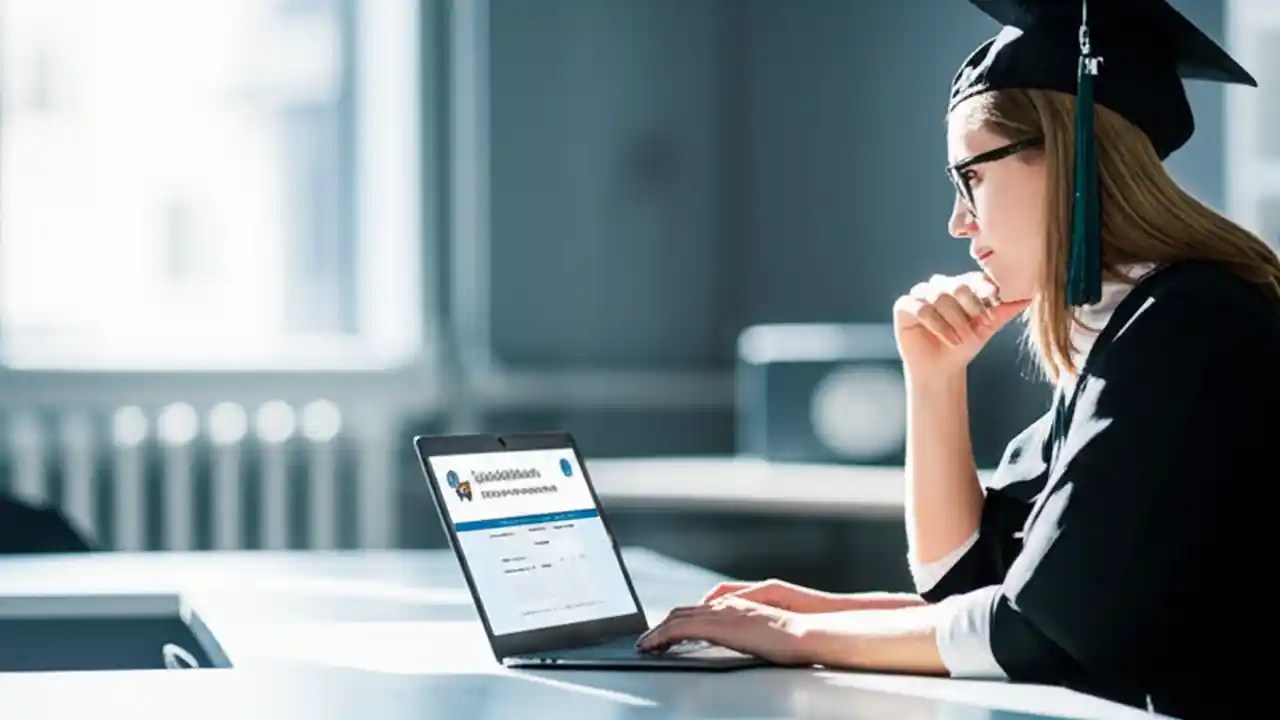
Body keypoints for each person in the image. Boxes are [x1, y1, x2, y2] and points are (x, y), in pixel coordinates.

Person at [636, 1, 1278, 716]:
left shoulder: (1191, 327)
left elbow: (1034, 632)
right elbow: (973, 585)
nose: (958, 222)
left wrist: (798, 631)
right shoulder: (1127, 331)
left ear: (1068, 158)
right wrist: (933, 378)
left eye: (970, 177)